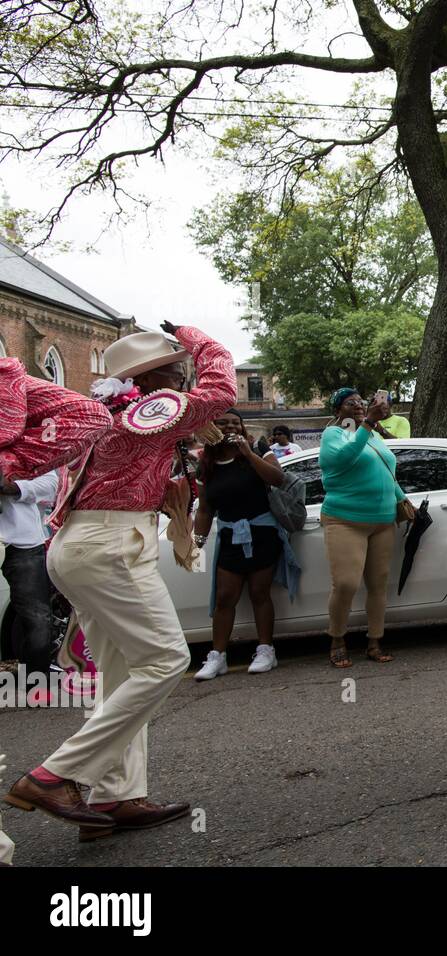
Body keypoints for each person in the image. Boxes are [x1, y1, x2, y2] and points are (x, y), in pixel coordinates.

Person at [6, 323, 233, 841]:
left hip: (82, 546)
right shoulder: (146, 415)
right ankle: (54, 776)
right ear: (147, 379)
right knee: (166, 660)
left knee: (117, 676)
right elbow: (220, 389)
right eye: (175, 368)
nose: (184, 375)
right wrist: (195, 336)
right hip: (109, 547)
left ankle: (115, 798)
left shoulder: (108, 415)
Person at [0, 358, 113, 851]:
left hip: (23, 538)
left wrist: (12, 476)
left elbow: (51, 482)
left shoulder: (30, 418)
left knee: (35, 611)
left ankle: (37, 676)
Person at [192, 409, 298, 680]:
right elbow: (204, 510)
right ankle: (217, 657)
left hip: (262, 532)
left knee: (259, 593)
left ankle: (266, 650)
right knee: (225, 597)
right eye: (222, 423)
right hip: (230, 536)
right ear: (212, 429)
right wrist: (196, 545)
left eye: (234, 423)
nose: (230, 427)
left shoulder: (259, 449)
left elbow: (277, 478)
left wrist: (247, 454)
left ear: (241, 426)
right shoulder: (206, 462)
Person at [319, 388, 409, 667]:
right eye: (350, 403)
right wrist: (368, 422)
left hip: (382, 521)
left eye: (360, 401)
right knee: (346, 583)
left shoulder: (373, 436)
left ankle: (374, 641)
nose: (358, 405)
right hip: (345, 520)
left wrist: (402, 498)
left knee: (378, 585)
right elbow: (343, 460)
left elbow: (386, 470)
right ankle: (337, 638)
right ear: (338, 411)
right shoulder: (333, 434)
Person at [0, 469, 59, 676]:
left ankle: (35, 683)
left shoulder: (26, 442)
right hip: (21, 541)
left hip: (22, 541)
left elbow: (52, 485)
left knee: (37, 619)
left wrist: (14, 487)